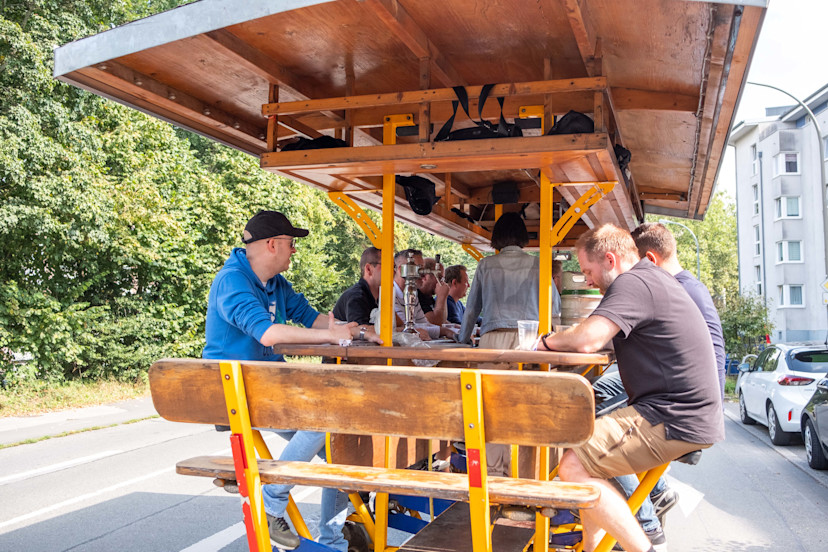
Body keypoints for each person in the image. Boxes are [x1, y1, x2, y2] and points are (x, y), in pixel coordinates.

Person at [536, 223, 724, 552]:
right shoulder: (651, 279)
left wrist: (545, 342)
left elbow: (589, 339)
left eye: (588, 271)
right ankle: (593, 548)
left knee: (573, 464)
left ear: (610, 260)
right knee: (588, 451)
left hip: (673, 416)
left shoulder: (633, 282)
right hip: (682, 412)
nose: (587, 281)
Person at [203, 210, 381, 551]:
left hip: (268, 385)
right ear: (272, 245)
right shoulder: (233, 281)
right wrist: (332, 337)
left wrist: (358, 330)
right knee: (328, 417)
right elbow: (268, 334)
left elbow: (312, 319)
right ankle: (271, 502)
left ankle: (333, 541)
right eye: (290, 243)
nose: (294, 250)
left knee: (339, 450)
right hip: (234, 391)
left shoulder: (275, 283)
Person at [458, 212, 549, 350]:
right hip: (528, 339)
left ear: (496, 236)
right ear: (523, 235)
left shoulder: (485, 265)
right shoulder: (538, 264)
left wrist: (463, 339)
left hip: (492, 338)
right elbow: (554, 306)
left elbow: (472, 308)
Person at [393, 249, 453, 340]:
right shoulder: (390, 294)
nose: (423, 274)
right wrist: (446, 331)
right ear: (402, 269)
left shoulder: (413, 293)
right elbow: (407, 327)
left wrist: (449, 331)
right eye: (419, 268)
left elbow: (424, 324)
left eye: (423, 269)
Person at [332, 246, 382, 326]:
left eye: (393, 267)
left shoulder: (380, 297)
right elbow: (360, 330)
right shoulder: (356, 297)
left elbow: (398, 325)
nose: (393, 271)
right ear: (369, 269)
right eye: (386, 265)